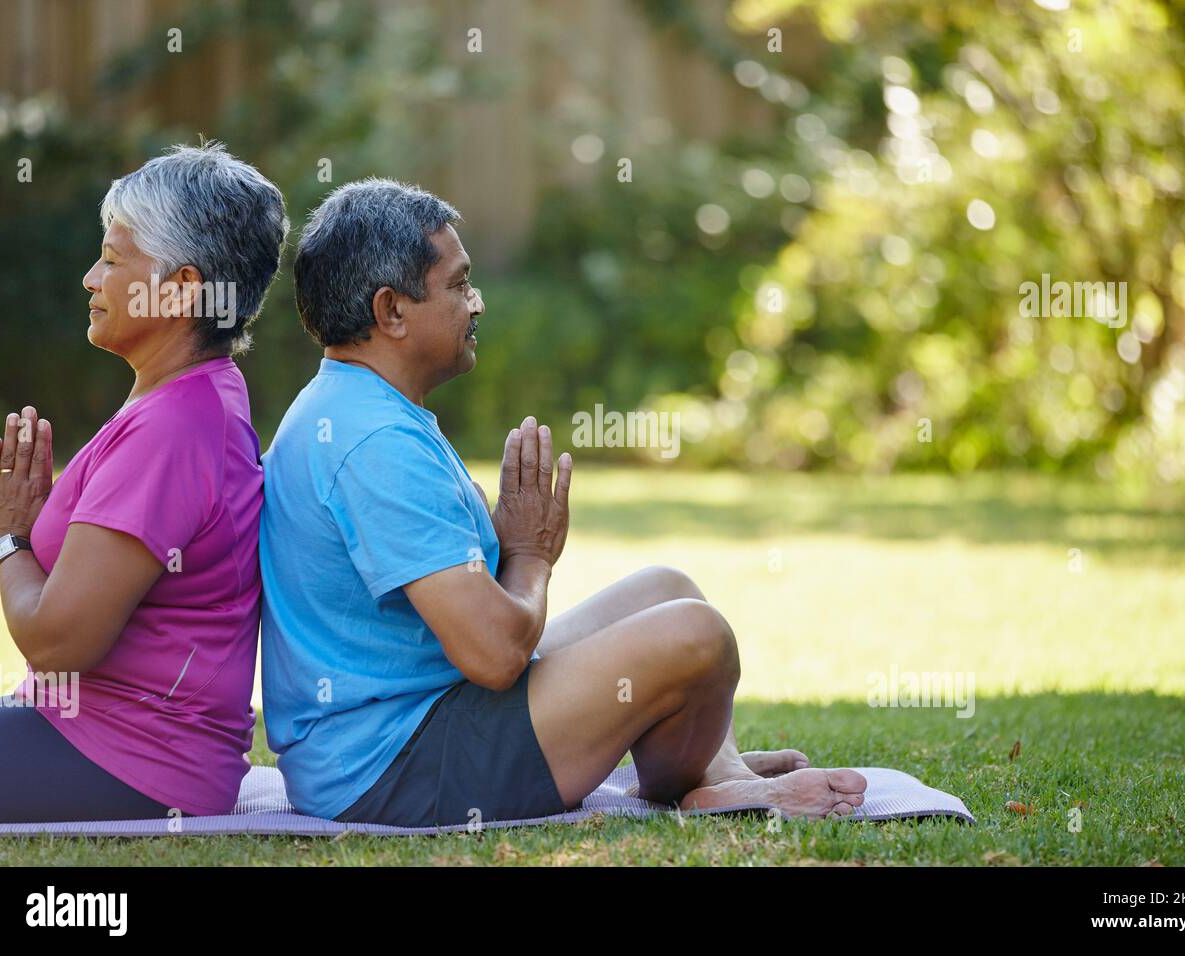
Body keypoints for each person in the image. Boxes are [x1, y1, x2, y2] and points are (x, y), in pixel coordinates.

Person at [260, 178, 866, 827]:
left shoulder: (357, 407)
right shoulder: (371, 441)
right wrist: (528, 555)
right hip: (396, 770)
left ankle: (720, 776)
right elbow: (494, 657)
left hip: (427, 721)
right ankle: (701, 783)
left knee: (667, 589)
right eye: (460, 285)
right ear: (391, 311)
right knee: (700, 636)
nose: (478, 302)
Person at [0, 142, 288, 822]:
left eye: (114, 260)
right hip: (94, 737)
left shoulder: (174, 430)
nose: (91, 278)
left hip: (133, 761)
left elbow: (60, 643)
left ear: (179, 286)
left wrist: (6, 542)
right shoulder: (188, 399)